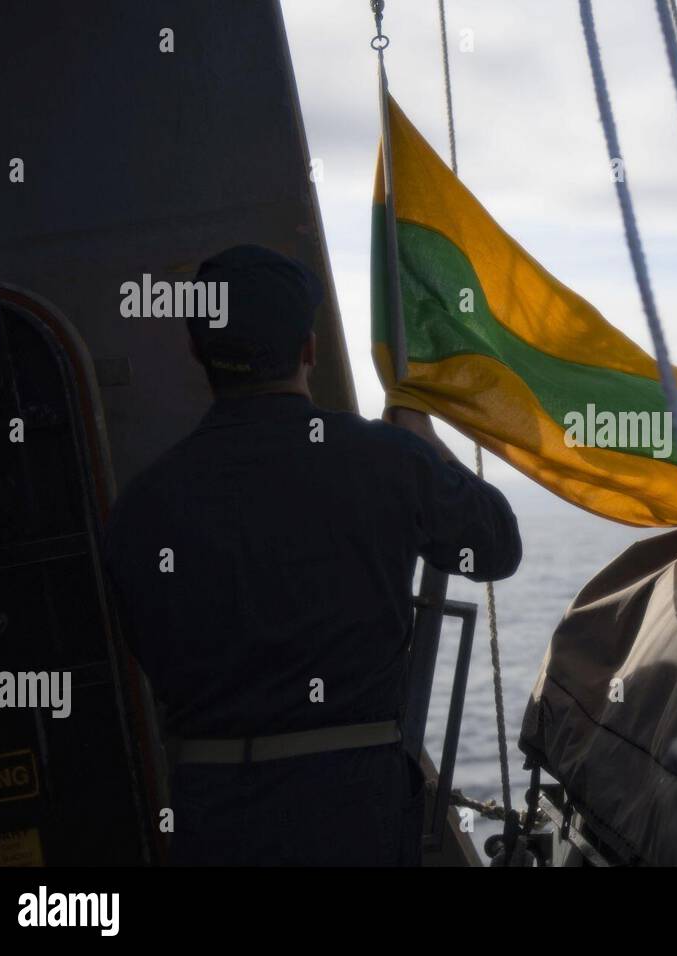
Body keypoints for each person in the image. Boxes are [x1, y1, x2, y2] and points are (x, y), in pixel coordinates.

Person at [102, 244, 521, 866]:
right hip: (355, 808)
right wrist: (425, 443)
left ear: (198, 352)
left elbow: (139, 642)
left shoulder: (144, 502)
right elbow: (496, 547)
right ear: (309, 349)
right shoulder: (388, 460)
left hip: (216, 816)